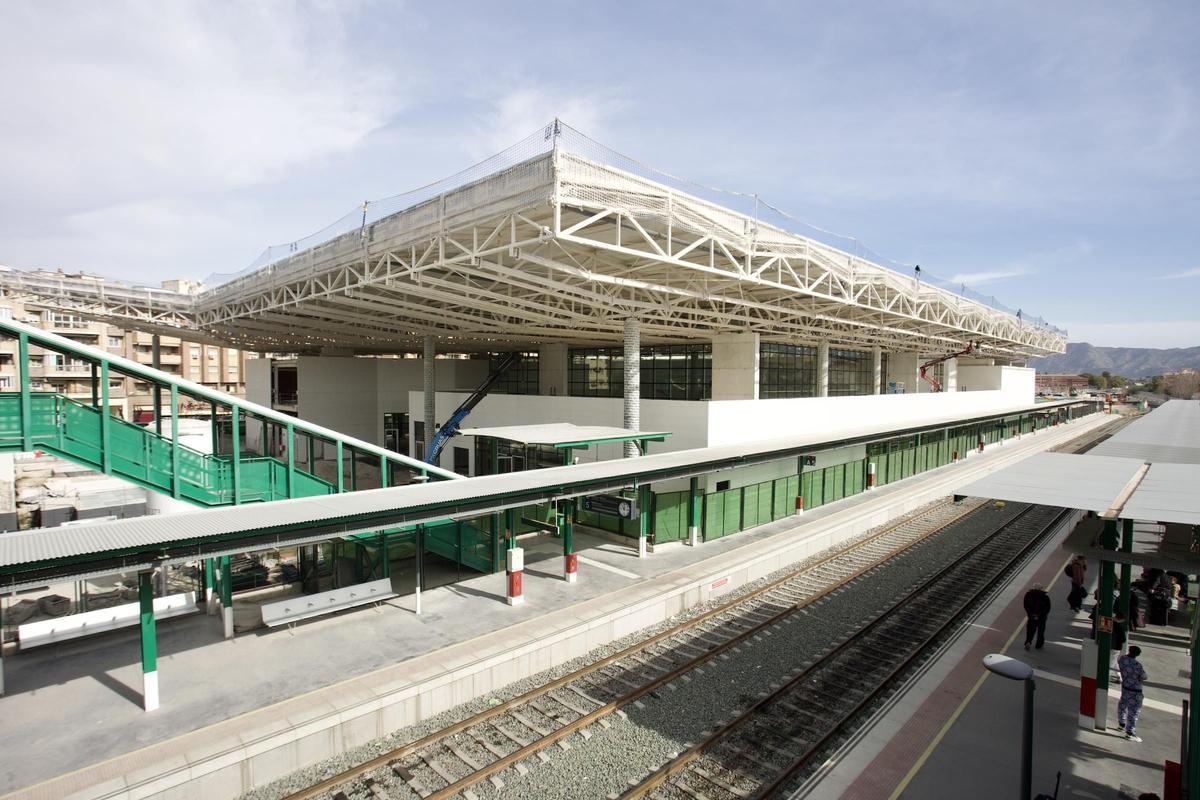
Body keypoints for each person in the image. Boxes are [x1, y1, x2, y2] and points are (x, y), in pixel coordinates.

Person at [1117, 645, 1148, 742]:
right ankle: (1130, 733)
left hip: (1125, 686)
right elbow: (1144, 676)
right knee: (1134, 711)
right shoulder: (1137, 665)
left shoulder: (1122, 659)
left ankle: (1121, 724)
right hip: (1135, 690)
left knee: (1123, 705)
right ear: (1137, 654)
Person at [1023, 583, 1051, 650]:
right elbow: (1047, 608)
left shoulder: (1028, 595)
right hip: (1041, 618)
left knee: (1030, 630)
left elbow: (1026, 606)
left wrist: (1030, 615)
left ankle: (1028, 641)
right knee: (1040, 631)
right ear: (1041, 589)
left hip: (1031, 617)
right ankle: (1039, 644)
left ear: (1033, 588)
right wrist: (1040, 616)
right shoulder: (1045, 597)